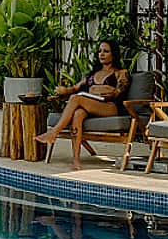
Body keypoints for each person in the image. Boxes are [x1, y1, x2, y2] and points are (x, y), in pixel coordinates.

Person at [34, 40, 130, 170]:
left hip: (109, 106)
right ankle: (76, 160)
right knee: (78, 113)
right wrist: (63, 91)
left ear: (114, 54)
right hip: (91, 103)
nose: (101, 54)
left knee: (76, 99)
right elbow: (74, 88)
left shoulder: (120, 72)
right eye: (100, 51)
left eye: (106, 51)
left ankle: (54, 132)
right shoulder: (92, 74)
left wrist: (107, 91)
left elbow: (119, 91)